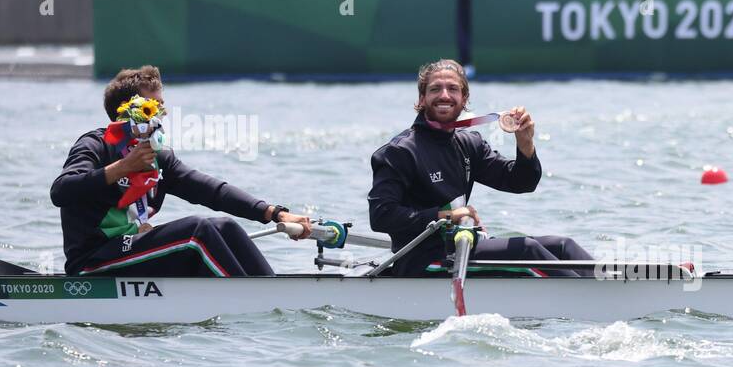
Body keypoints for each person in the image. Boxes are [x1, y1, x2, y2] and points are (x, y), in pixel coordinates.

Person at [50, 65, 312, 277]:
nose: (160, 114)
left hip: (132, 251)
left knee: (225, 226)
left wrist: (274, 213)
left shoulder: (157, 155)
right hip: (92, 260)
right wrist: (123, 167)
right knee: (197, 232)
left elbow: (210, 190)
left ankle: (273, 294)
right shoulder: (95, 145)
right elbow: (61, 191)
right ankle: (254, 301)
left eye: (161, 106)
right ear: (125, 112)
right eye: (151, 108)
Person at [368, 59, 592, 277]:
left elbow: (521, 183)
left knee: (563, 245)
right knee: (527, 249)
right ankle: (595, 302)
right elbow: (380, 216)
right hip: (422, 260)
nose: (444, 95)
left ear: (464, 98)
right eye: (435, 89)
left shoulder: (468, 144)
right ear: (422, 98)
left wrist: (525, 144)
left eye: (453, 89)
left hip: (462, 247)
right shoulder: (400, 152)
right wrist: (446, 216)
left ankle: (614, 282)